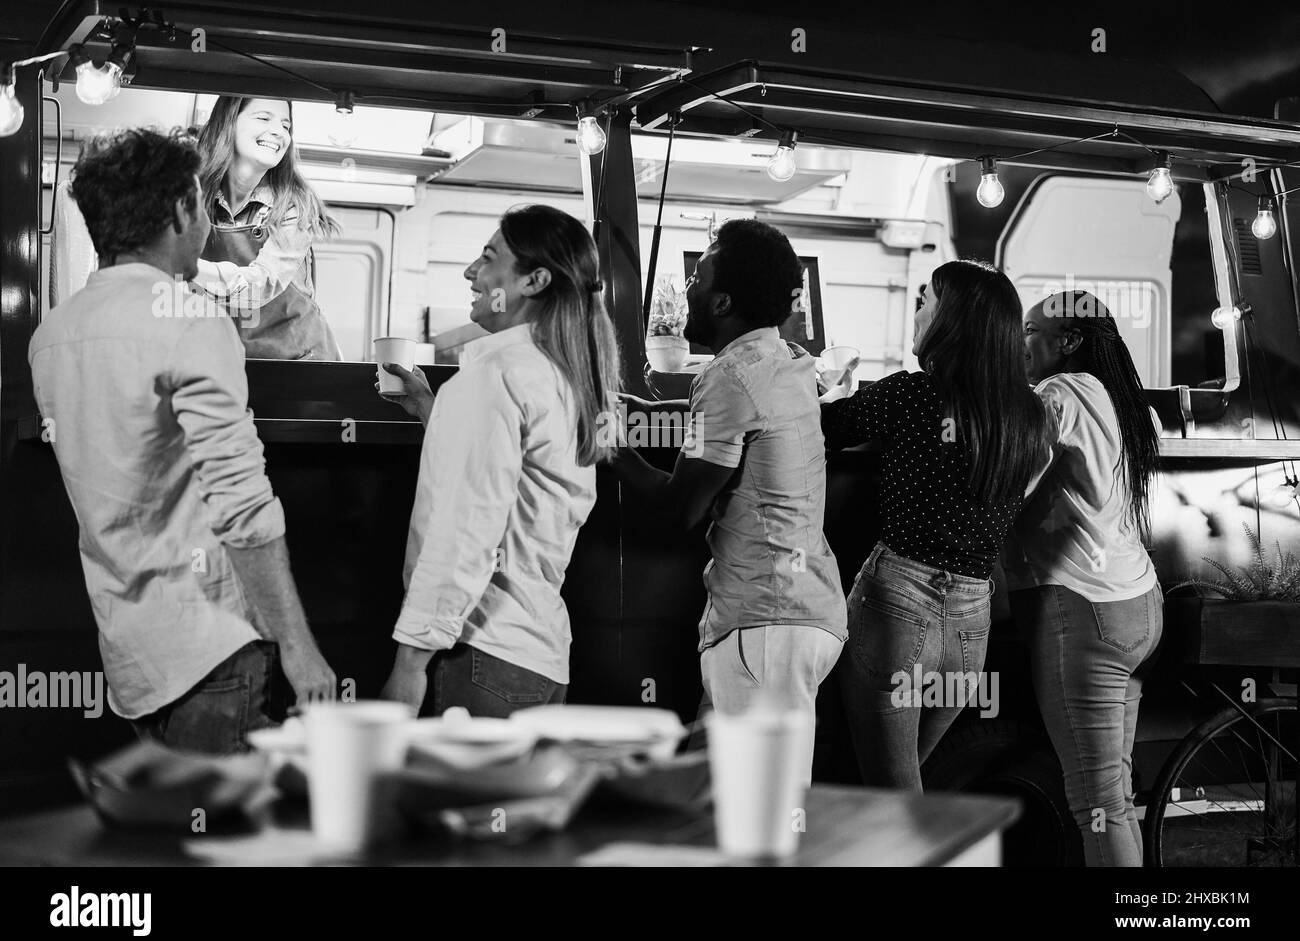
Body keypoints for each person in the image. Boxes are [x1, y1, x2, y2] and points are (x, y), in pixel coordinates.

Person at [28, 128, 336, 753]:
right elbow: (242, 507)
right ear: (180, 211)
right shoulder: (191, 320)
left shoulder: (52, 336)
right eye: (200, 201)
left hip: (130, 654)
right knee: (226, 846)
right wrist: (298, 645)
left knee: (172, 839)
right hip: (215, 646)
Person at [612, 219, 847, 783]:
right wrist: (643, 413)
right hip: (797, 613)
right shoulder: (787, 359)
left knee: (767, 812)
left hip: (767, 624)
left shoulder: (729, 377)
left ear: (720, 301)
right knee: (706, 799)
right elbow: (732, 426)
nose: (687, 286)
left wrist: (608, 448)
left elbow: (680, 510)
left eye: (697, 275)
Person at [378, 205, 621, 716]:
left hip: (479, 653)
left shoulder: (496, 376)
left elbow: (466, 534)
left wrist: (408, 666)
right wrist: (434, 410)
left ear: (533, 281)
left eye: (488, 258)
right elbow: (514, 490)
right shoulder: (565, 376)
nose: (472, 273)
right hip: (538, 659)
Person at [821, 259, 1049, 791]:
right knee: (905, 789)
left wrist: (823, 384)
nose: (915, 309)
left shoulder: (911, 394)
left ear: (952, 320)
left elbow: (820, 428)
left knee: (893, 798)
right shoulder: (1031, 417)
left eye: (925, 300)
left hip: (896, 606)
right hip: (971, 626)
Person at [1006, 290, 1163, 866]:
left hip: (1084, 613)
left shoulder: (1057, 394)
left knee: (1097, 805)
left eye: (1030, 331)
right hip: (1139, 605)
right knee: (1116, 798)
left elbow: (1009, 490)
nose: (1020, 343)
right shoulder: (1133, 404)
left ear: (1067, 342)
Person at [194, 96, 342, 360]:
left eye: (286, 126)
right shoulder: (194, 198)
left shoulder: (294, 205)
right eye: (264, 118)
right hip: (233, 359)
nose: (279, 132)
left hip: (299, 363)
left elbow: (260, 286)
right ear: (228, 123)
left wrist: (186, 267)